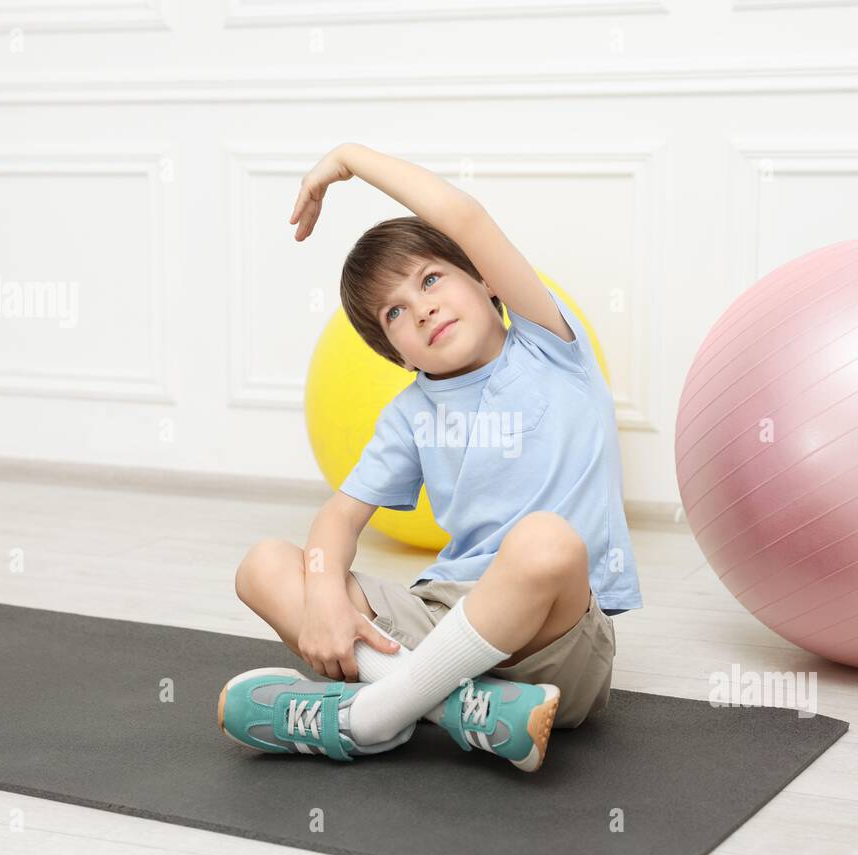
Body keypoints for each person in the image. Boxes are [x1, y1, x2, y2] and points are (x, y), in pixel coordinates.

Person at [221, 143, 642, 772]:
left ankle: (369, 716)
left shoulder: (551, 348)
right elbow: (338, 518)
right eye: (395, 312)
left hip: (555, 640)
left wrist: (349, 160)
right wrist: (325, 595)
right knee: (264, 566)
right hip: (443, 619)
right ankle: (462, 709)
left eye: (430, 279)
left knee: (548, 541)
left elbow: (463, 216)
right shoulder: (411, 414)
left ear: (485, 279)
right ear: (397, 354)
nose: (422, 308)